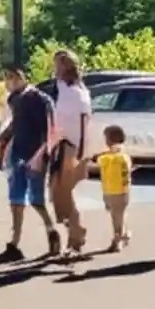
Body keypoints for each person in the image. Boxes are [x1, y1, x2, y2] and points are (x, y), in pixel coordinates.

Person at [0, 63, 61, 259]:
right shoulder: (16, 99)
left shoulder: (37, 99)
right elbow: (17, 124)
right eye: (6, 78)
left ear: (20, 77)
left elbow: (47, 130)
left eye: (10, 77)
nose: (7, 82)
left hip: (34, 155)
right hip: (19, 153)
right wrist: (5, 135)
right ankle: (14, 242)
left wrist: (41, 154)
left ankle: (51, 231)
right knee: (17, 199)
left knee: (34, 198)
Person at [50, 49, 92, 255]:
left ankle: (76, 235)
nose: (54, 68)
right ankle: (74, 232)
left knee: (64, 194)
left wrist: (82, 153)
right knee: (56, 194)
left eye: (58, 64)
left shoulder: (77, 93)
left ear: (66, 67)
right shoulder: (63, 89)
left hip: (71, 147)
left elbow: (85, 122)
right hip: (59, 145)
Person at [88, 125, 133, 252]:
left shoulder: (112, 154)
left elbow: (102, 161)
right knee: (119, 215)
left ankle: (118, 239)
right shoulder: (122, 152)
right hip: (119, 189)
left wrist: (97, 157)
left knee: (115, 217)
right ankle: (123, 235)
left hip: (115, 189)